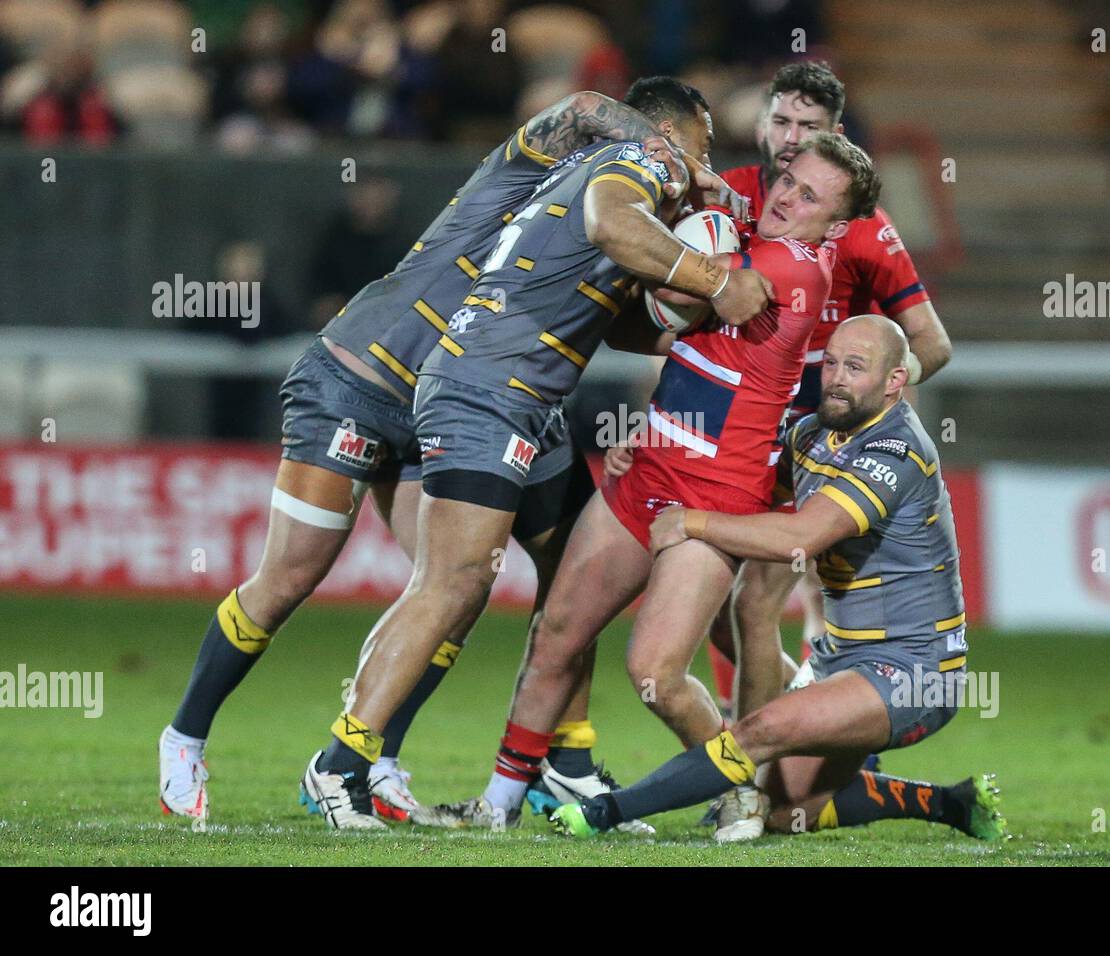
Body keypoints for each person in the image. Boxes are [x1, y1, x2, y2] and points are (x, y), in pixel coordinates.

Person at [158, 88, 690, 827]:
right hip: (358, 379)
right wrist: (666, 154)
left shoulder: (608, 223)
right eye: (679, 147)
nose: (683, 165)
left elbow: (619, 320)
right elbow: (582, 106)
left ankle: (383, 761)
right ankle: (184, 737)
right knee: (290, 576)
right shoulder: (535, 164)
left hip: (446, 400)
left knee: (458, 586)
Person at [300, 77, 774, 829]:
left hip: (520, 399)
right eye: (704, 145)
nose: (706, 163)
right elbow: (613, 224)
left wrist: (702, 324)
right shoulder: (640, 163)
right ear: (671, 133)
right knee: (451, 585)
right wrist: (716, 280)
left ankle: (565, 764)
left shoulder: (594, 172)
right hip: (486, 392)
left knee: (568, 579)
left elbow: (614, 320)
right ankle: (343, 763)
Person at [440, 132, 878, 831]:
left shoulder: (800, 269)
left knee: (655, 675)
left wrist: (674, 220)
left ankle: (739, 788)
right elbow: (648, 332)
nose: (788, 198)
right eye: (789, 181)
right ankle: (497, 805)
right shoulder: (739, 241)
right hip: (646, 469)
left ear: (835, 226)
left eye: (810, 197)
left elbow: (677, 288)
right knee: (556, 632)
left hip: (715, 495)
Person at [551, 315, 1004, 843]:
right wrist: (648, 456)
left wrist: (689, 522)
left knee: (760, 731)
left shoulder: (896, 451)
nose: (835, 377)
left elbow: (802, 538)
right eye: (830, 362)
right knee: (789, 813)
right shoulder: (813, 434)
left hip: (916, 672)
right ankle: (952, 803)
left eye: (854, 368)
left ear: (893, 382)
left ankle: (603, 812)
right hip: (844, 659)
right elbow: (741, 482)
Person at [701, 60, 952, 723]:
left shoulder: (861, 223)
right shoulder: (727, 199)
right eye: (781, 120)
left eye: (808, 125)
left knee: (755, 603)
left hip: (811, 444)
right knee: (711, 611)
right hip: (733, 431)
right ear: (760, 123)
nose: (790, 136)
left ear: (834, 134)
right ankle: (797, 734)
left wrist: (873, 404)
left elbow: (931, 342)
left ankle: (750, 777)